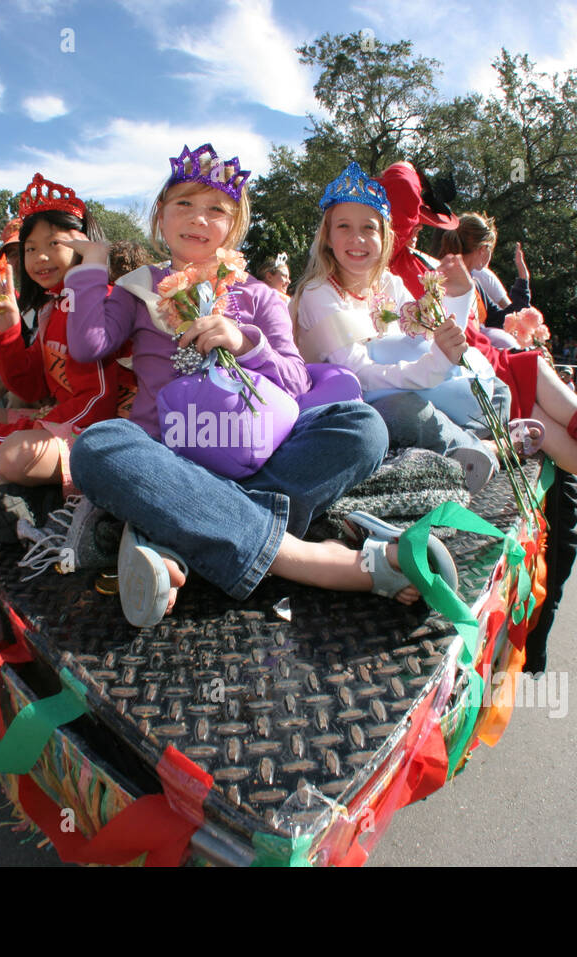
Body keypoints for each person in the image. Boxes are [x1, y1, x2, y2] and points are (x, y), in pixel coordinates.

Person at [63, 143, 421, 627]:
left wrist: (246, 343)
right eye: (184, 205)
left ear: (234, 225)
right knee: (98, 446)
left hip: (257, 455)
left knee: (362, 426)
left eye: (216, 210)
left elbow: (296, 382)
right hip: (168, 457)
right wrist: (91, 265)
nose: (198, 219)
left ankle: (176, 534)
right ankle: (303, 558)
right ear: (160, 218)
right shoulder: (139, 286)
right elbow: (88, 345)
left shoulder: (259, 295)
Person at [379, 162, 577, 512]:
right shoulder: (390, 265)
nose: (417, 229)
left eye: (422, 222)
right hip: (460, 370)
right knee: (532, 380)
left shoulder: (420, 261)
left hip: (477, 360)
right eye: (414, 221)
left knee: (536, 403)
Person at [292, 161, 504, 493]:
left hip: (400, 381)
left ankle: (481, 438)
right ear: (328, 237)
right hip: (349, 403)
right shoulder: (319, 293)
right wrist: (432, 368)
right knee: (403, 412)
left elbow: (430, 336)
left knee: (494, 382)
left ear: (385, 235)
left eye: (369, 228)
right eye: (344, 226)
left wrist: (460, 296)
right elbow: (360, 374)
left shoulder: (389, 284)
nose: (357, 238)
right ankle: (481, 451)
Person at [0, 173, 135, 490]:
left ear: (83, 245)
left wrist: (11, 435)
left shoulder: (103, 300)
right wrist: (8, 332)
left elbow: (99, 401)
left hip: (109, 431)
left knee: (11, 454)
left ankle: (27, 499)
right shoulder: (50, 308)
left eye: (54, 243)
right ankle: (16, 491)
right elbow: (30, 387)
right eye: (30, 248)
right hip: (70, 420)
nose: (40, 257)